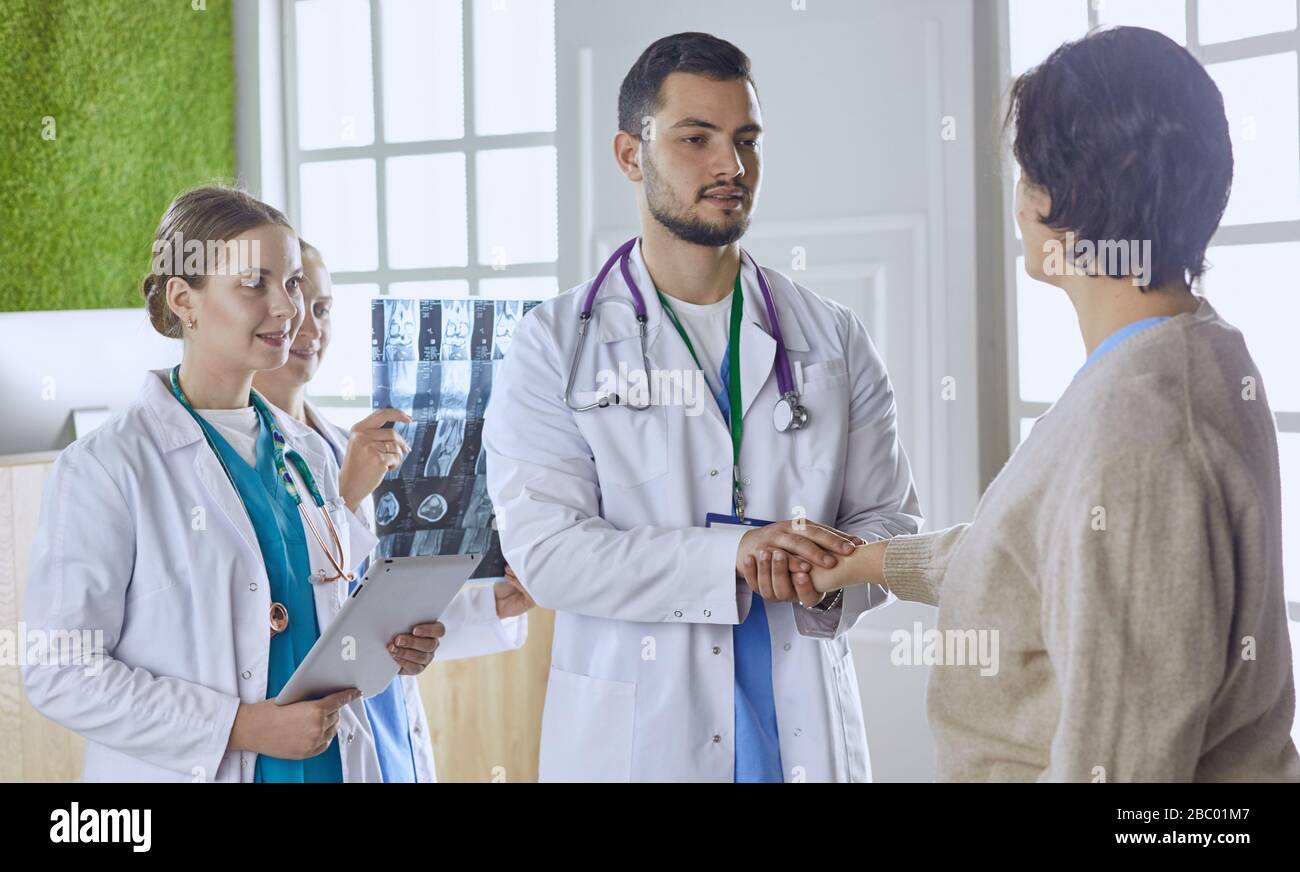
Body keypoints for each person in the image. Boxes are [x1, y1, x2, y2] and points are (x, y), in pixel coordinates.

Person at [808, 27, 1300, 782]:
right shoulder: (1192, 349)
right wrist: (863, 560)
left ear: (1057, 200)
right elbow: (1039, 557)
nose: (1017, 200)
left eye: (1025, 172)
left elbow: (1122, 774)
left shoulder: (1143, 439)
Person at [483, 32, 921, 783]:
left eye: (747, 140)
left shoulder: (832, 336)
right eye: (697, 139)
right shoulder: (554, 344)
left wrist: (824, 571)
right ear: (631, 155)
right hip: (641, 743)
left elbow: (893, 524)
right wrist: (735, 557)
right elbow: (549, 555)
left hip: (799, 733)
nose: (732, 166)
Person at [24, 185, 409, 782]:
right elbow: (60, 671)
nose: (287, 309)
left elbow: (320, 616)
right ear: (185, 300)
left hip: (329, 764)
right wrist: (239, 727)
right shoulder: (106, 467)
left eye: (292, 283)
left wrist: (389, 646)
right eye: (254, 283)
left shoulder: (306, 453)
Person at [251, 240, 532, 782]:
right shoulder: (245, 464)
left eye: (324, 309)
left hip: (386, 732)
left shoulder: (350, 445)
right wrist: (348, 497)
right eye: (298, 304)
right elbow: (292, 613)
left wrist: (496, 603)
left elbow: (381, 616)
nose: (310, 326)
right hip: (307, 741)